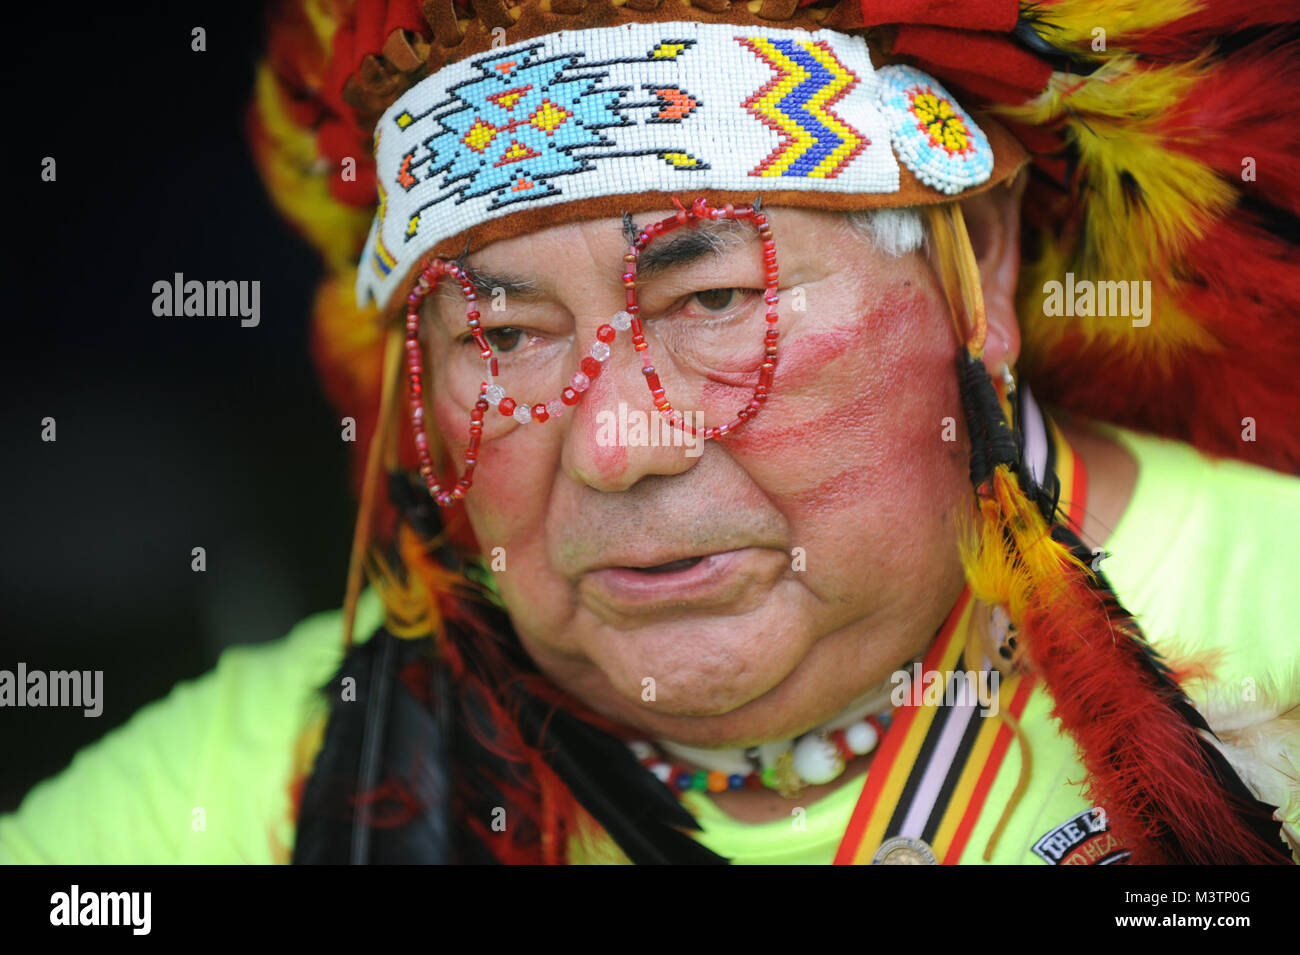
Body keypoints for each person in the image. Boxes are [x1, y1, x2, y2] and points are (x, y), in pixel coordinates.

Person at [2, 0, 1297, 866]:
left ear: (983, 274)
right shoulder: (233, 800)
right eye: (504, 337)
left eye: (714, 301)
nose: (616, 445)